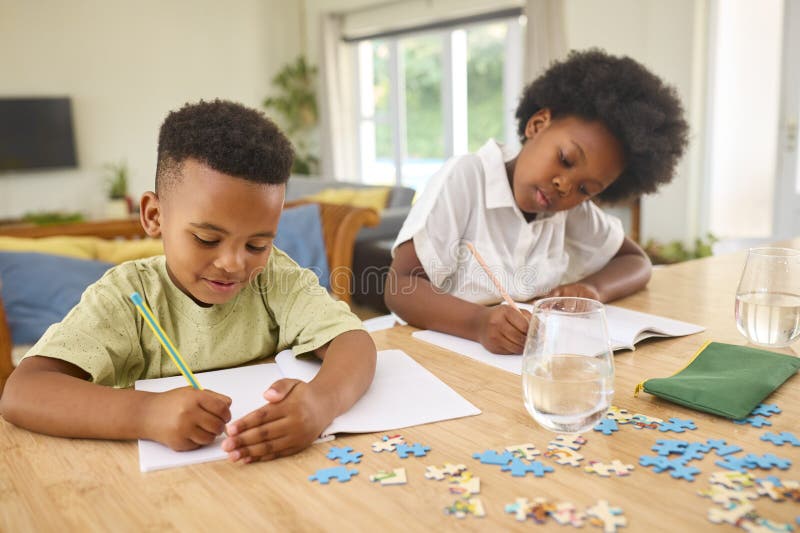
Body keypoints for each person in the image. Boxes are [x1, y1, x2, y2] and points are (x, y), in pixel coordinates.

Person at [0, 100, 377, 463]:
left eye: (257, 244)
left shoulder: (272, 275)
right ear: (154, 216)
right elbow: (22, 392)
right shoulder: (127, 296)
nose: (233, 263)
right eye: (207, 239)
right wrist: (146, 413)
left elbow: (353, 340)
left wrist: (321, 403)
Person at [385, 49, 689, 355]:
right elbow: (400, 287)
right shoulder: (467, 177)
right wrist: (478, 323)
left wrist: (593, 290)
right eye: (565, 159)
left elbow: (637, 262)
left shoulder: (572, 211)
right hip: (438, 353)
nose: (565, 186)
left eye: (585, 188)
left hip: (521, 362)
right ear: (538, 124)